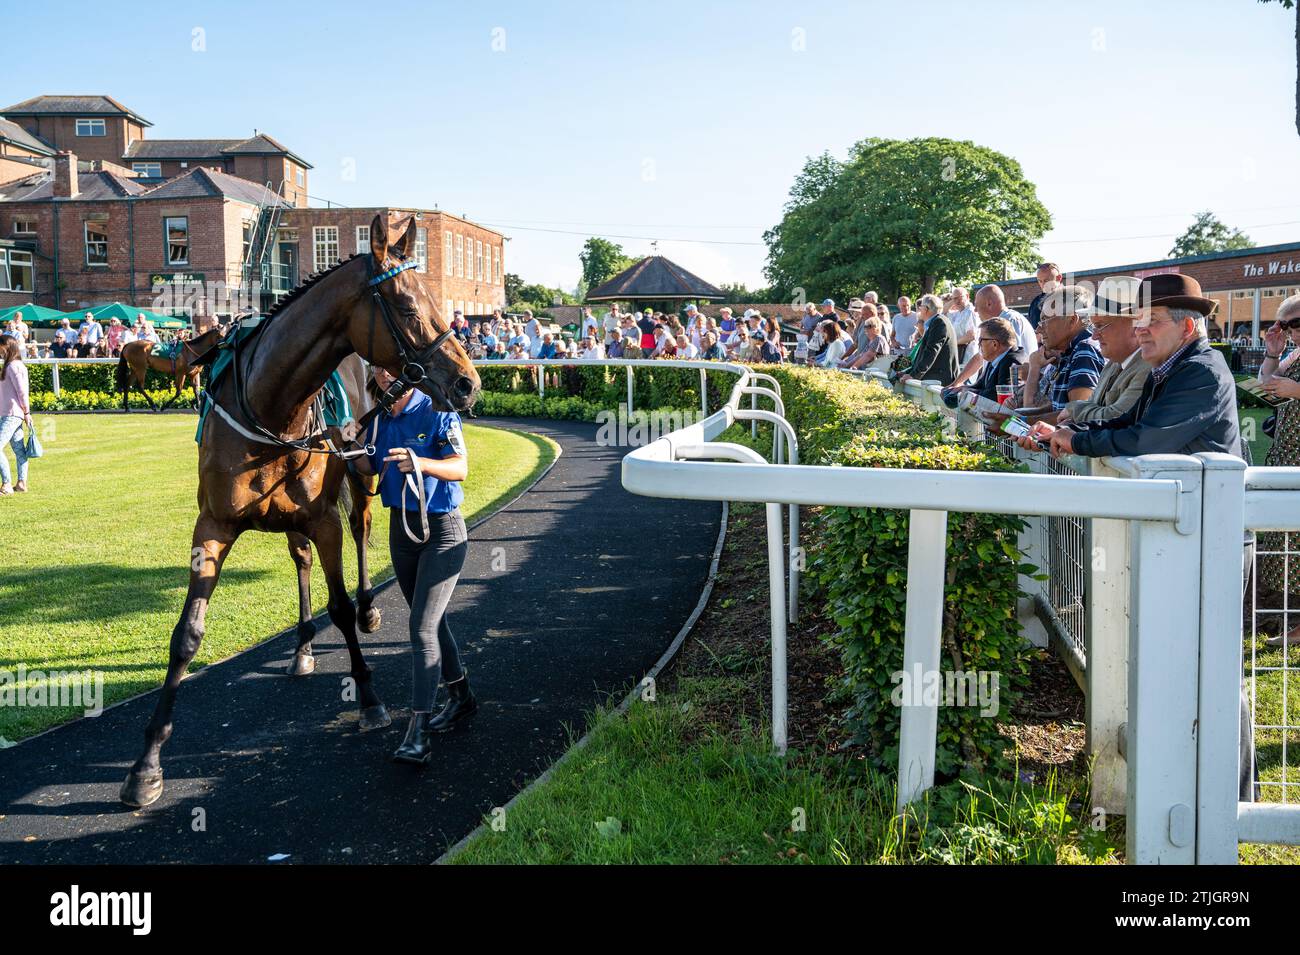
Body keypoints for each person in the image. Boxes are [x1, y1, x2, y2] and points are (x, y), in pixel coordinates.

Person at [353, 365, 475, 763]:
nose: (385, 375)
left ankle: (417, 732)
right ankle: (462, 696)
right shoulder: (379, 415)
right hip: (401, 531)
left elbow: (460, 467)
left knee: (421, 627)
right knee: (432, 622)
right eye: (379, 369)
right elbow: (368, 468)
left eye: (392, 368)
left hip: (442, 531)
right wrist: (351, 445)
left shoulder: (438, 409)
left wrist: (421, 462)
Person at [1033, 274, 1243, 460]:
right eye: (1138, 321)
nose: (1139, 330)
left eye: (1151, 320)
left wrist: (1076, 441)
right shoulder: (1168, 369)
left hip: (1202, 500)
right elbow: (1127, 423)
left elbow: (1146, 439)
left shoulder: (1201, 372)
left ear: (1186, 327)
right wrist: (1063, 433)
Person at [1255, 293, 1300, 646]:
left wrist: (1296, 390)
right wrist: (1273, 351)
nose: (1290, 331)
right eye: (1283, 325)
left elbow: (1287, 389)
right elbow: (1267, 386)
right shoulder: (1295, 352)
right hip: (1289, 454)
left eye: (1294, 324)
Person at [1055, 277, 1151, 426]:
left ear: (1136, 325)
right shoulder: (1113, 363)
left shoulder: (1148, 368)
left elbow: (1116, 417)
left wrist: (1074, 409)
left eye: (1100, 325)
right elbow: (1097, 408)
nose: (1094, 335)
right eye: (1094, 327)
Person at [1021, 285, 1104, 425]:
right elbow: (1060, 408)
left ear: (1072, 320)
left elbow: (1077, 417)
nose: (1038, 328)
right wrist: (1018, 416)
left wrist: (1023, 420)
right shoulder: (1071, 352)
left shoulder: (1085, 351)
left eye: (1045, 320)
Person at [951, 284, 1038, 387]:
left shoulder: (1009, 321)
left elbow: (1013, 359)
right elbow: (980, 357)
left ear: (989, 304)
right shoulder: (998, 323)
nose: (975, 310)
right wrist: (956, 384)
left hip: (1013, 392)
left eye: (977, 305)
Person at [899, 294, 959, 386]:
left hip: (939, 381)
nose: (919, 309)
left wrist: (914, 375)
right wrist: (909, 372)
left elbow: (931, 352)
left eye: (921, 307)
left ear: (926, 309)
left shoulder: (939, 322)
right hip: (935, 378)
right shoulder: (936, 321)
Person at [0, 334, 33, 496]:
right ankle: (21, 483)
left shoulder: (14, 366)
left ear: (6, 346)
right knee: (19, 450)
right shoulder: (11, 365)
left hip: (12, 414)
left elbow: (22, 392)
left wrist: (27, 412)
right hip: (11, 413)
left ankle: (6, 484)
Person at [962, 317, 1023, 403]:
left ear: (994, 344)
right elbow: (980, 386)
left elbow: (996, 396)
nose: (979, 344)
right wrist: (961, 388)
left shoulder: (1012, 361)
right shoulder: (996, 358)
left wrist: (968, 393)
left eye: (981, 340)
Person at [1026, 262, 1063, 329]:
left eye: (1046, 280)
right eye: (1040, 281)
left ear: (1059, 278)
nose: (1043, 285)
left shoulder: (1070, 299)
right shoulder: (1035, 302)